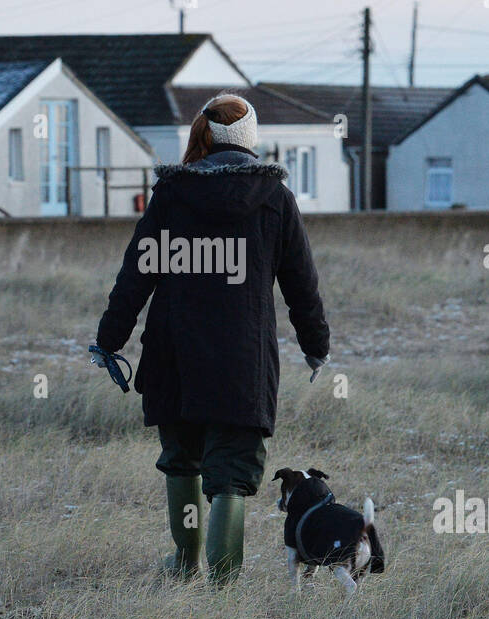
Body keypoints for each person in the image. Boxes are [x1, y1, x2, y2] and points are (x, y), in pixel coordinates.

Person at [92, 93, 330, 584]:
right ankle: (222, 589)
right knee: (232, 476)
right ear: (251, 138)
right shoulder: (275, 200)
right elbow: (301, 283)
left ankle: (184, 563)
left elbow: (137, 273)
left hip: (173, 352)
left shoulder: (172, 196)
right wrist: (316, 343)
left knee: (182, 460)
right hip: (242, 358)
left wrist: (110, 337)